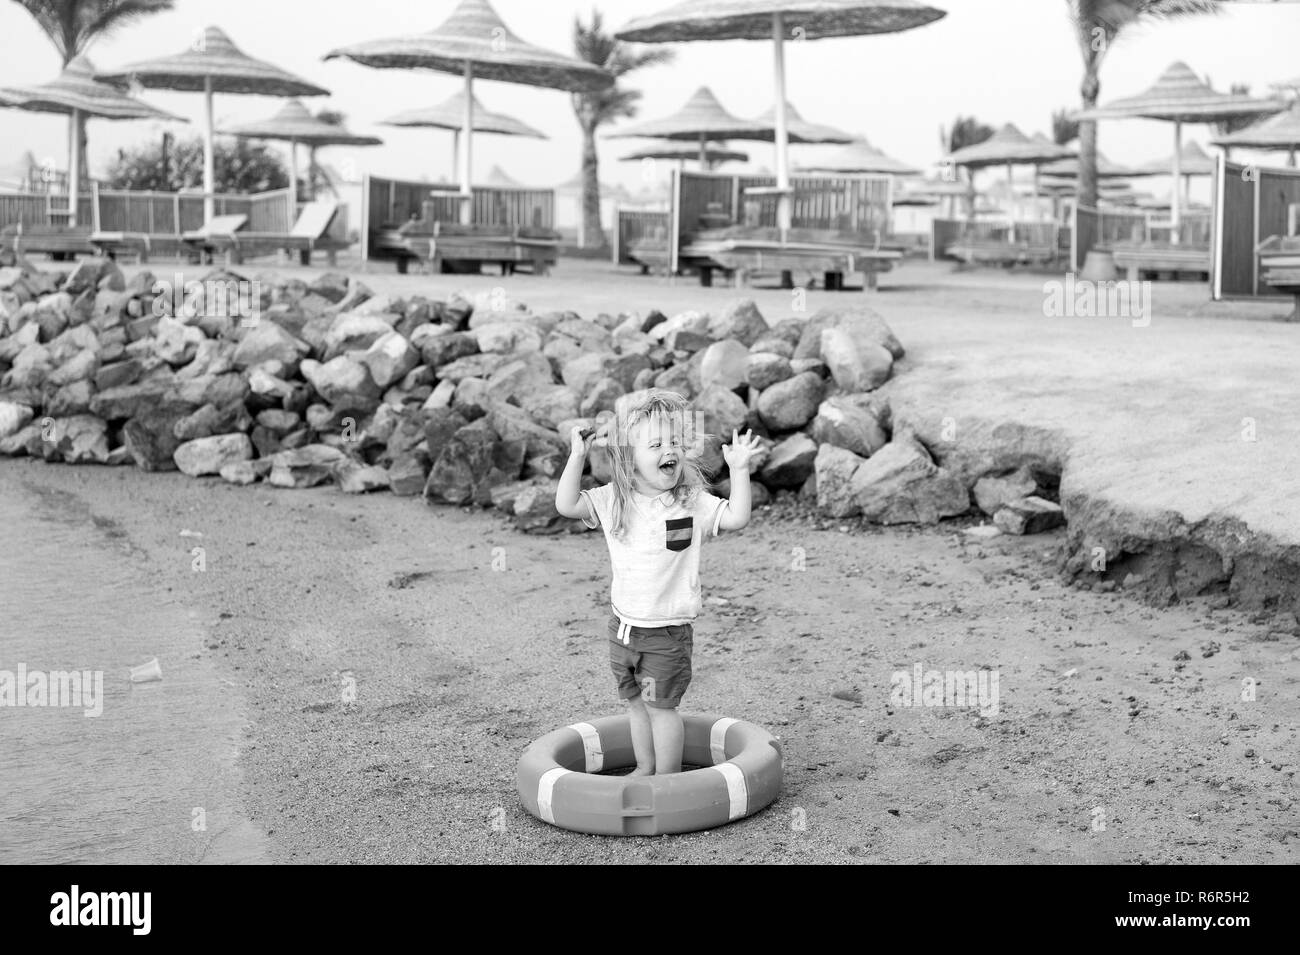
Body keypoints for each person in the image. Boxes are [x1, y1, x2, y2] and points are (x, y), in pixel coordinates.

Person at [555, 389, 761, 776]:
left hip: (666, 633)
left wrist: (740, 470)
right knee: (635, 703)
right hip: (623, 629)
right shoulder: (614, 499)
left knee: (661, 709)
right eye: (655, 444)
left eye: (674, 442)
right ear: (630, 461)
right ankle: (645, 767)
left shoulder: (690, 501)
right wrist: (577, 456)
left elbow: (736, 517)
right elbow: (566, 505)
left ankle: (668, 779)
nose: (669, 450)